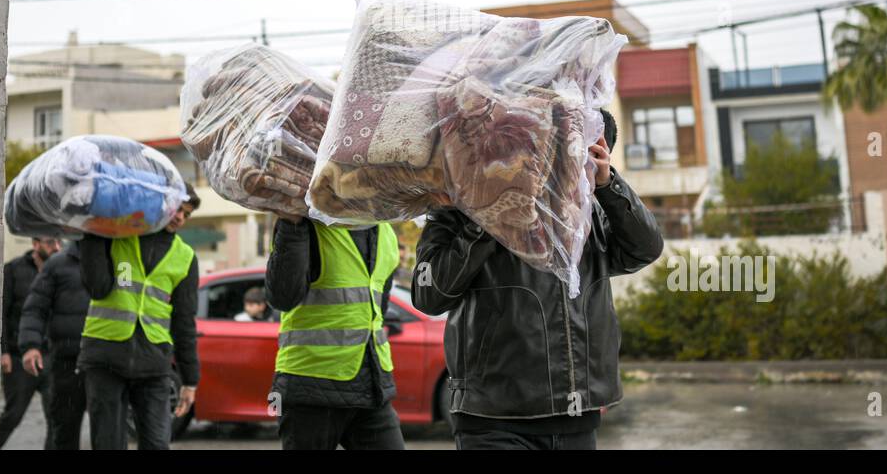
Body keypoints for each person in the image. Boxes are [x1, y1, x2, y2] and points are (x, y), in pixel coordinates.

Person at [413, 110, 664, 450]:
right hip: (491, 420)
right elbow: (429, 295)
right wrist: (490, 213)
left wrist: (608, 185)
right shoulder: (460, 205)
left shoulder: (592, 216)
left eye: (584, 154)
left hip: (576, 416)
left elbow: (645, 249)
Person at [265, 215, 405, 450]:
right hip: (310, 384)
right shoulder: (305, 223)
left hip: (371, 385)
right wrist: (291, 226)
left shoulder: (386, 233)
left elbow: (377, 310)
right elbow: (282, 296)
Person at [77, 186, 201, 450]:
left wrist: (190, 380)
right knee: (108, 444)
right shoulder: (120, 234)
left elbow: (184, 321)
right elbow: (96, 287)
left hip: (154, 362)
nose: (180, 217)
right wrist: (94, 230)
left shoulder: (186, 257)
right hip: (105, 356)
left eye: (186, 214)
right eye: (177, 208)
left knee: (157, 444)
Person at [18, 238, 90, 449]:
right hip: (66, 363)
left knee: (109, 434)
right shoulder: (57, 264)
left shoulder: (120, 262)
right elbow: (35, 308)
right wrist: (30, 346)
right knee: (64, 430)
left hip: (105, 365)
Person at [0, 236, 59, 448]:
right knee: (13, 415)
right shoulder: (13, 270)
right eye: (50, 242)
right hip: (18, 357)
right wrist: (2, 351)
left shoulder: (58, 271)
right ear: (35, 244)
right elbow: (1, 313)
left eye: (58, 242)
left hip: (50, 357)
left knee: (57, 418)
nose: (56, 247)